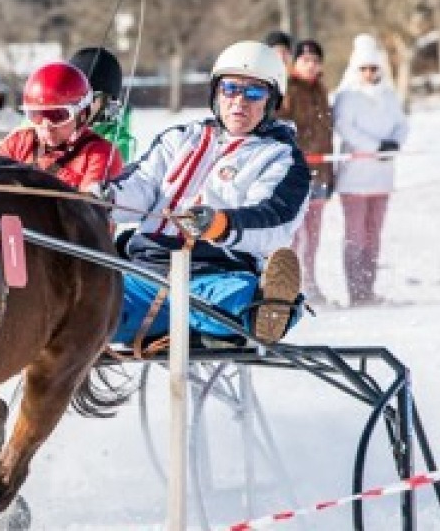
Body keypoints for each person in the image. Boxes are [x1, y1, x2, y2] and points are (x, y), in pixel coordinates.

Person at [107, 40, 308, 346]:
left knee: (239, 296)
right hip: (146, 272)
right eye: (230, 89)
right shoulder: (181, 138)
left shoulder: (280, 157)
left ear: (271, 101)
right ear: (216, 92)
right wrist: (107, 199)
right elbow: (141, 184)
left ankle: (265, 311)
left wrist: (220, 225)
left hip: (214, 274)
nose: (239, 101)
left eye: (254, 92)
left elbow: (275, 222)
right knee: (90, 300)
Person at [332, 35, 408, 306]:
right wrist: (376, 146)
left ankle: (369, 287)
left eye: (373, 68)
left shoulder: (389, 94)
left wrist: (395, 142)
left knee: (374, 233)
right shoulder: (347, 96)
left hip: (382, 177)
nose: (369, 73)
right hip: (355, 177)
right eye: (363, 68)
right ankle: (355, 290)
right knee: (356, 234)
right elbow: (345, 127)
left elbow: (401, 123)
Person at [0, 61, 123, 193]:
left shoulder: (99, 154)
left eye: (57, 115)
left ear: (82, 114)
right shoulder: (18, 143)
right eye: (36, 115)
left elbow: (91, 208)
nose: (46, 126)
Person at [276, 39, 334, 305]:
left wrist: (329, 170)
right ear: (296, 62)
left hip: (319, 171)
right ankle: (288, 287)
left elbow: (326, 134)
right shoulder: (288, 88)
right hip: (294, 172)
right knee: (294, 234)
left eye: (315, 61)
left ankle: (310, 281)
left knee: (314, 233)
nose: (311, 66)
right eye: (305, 60)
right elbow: (280, 122)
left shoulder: (321, 90)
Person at [68, 46, 135, 161]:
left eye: (89, 98)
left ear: (108, 102)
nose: (80, 105)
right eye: (72, 96)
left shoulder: (115, 142)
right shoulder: (47, 124)